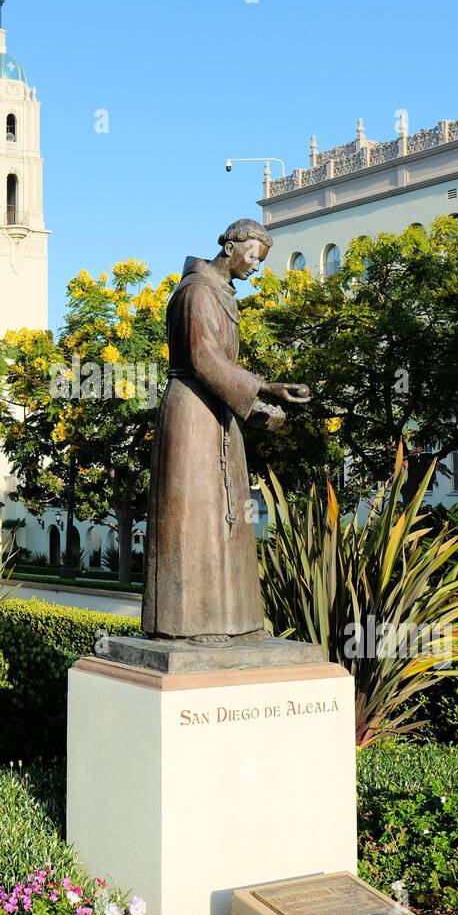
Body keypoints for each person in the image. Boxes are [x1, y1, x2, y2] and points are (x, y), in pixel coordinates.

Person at [141, 218, 310, 643]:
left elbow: (219, 364)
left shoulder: (220, 294)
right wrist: (259, 391)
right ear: (231, 247)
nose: (256, 266)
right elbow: (202, 358)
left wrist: (260, 398)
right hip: (193, 413)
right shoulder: (196, 292)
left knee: (225, 518)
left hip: (219, 411)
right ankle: (188, 625)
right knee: (194, 518)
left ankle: (234, 624)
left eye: (261, 259)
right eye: (253, 256)